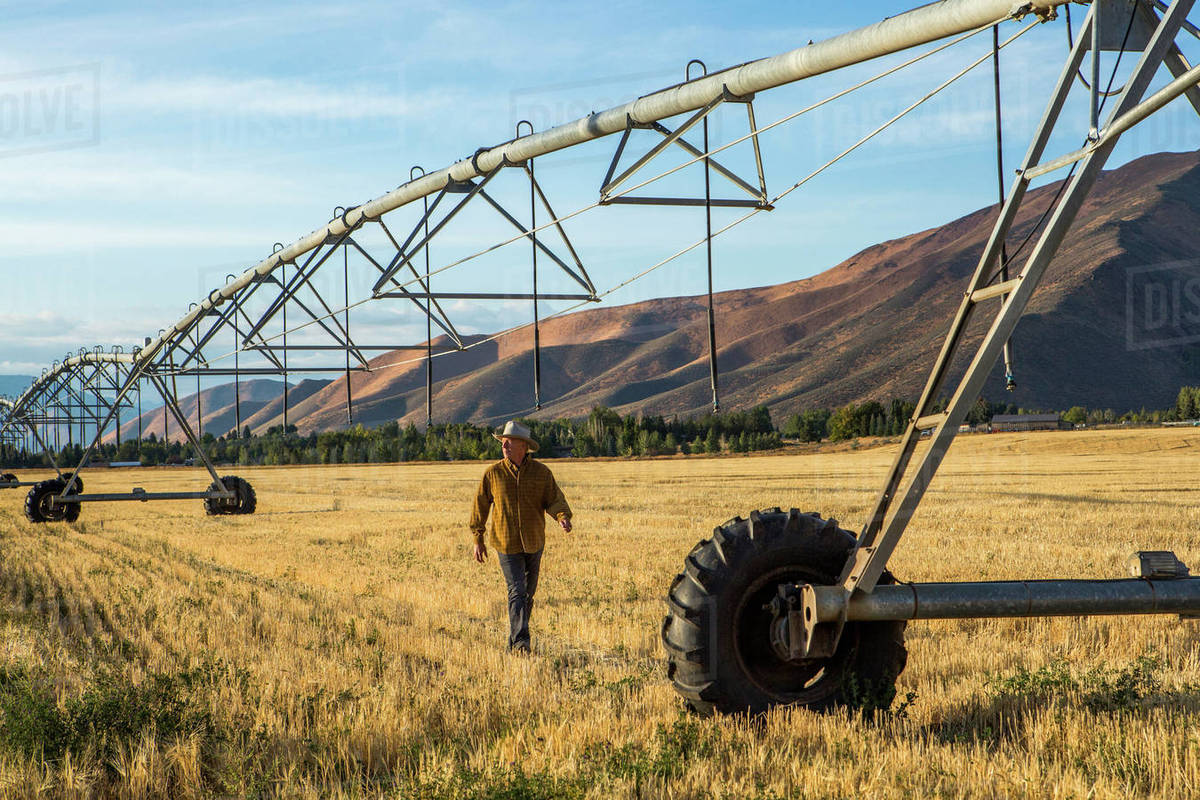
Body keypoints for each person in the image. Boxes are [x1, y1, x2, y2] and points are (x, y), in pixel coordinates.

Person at [469, 420, 572, 653]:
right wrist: (478, 538)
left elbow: (554, 499)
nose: (504, 444)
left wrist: (562, 516)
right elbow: (480, 506)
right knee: (516, 590)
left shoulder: (541, 473)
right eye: (503, 441)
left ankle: (515, 640)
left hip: (534, 541)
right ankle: (521, 643)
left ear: (523, 446)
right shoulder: (493, 474)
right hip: (506, 543)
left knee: (527, 594)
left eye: (510, 441)